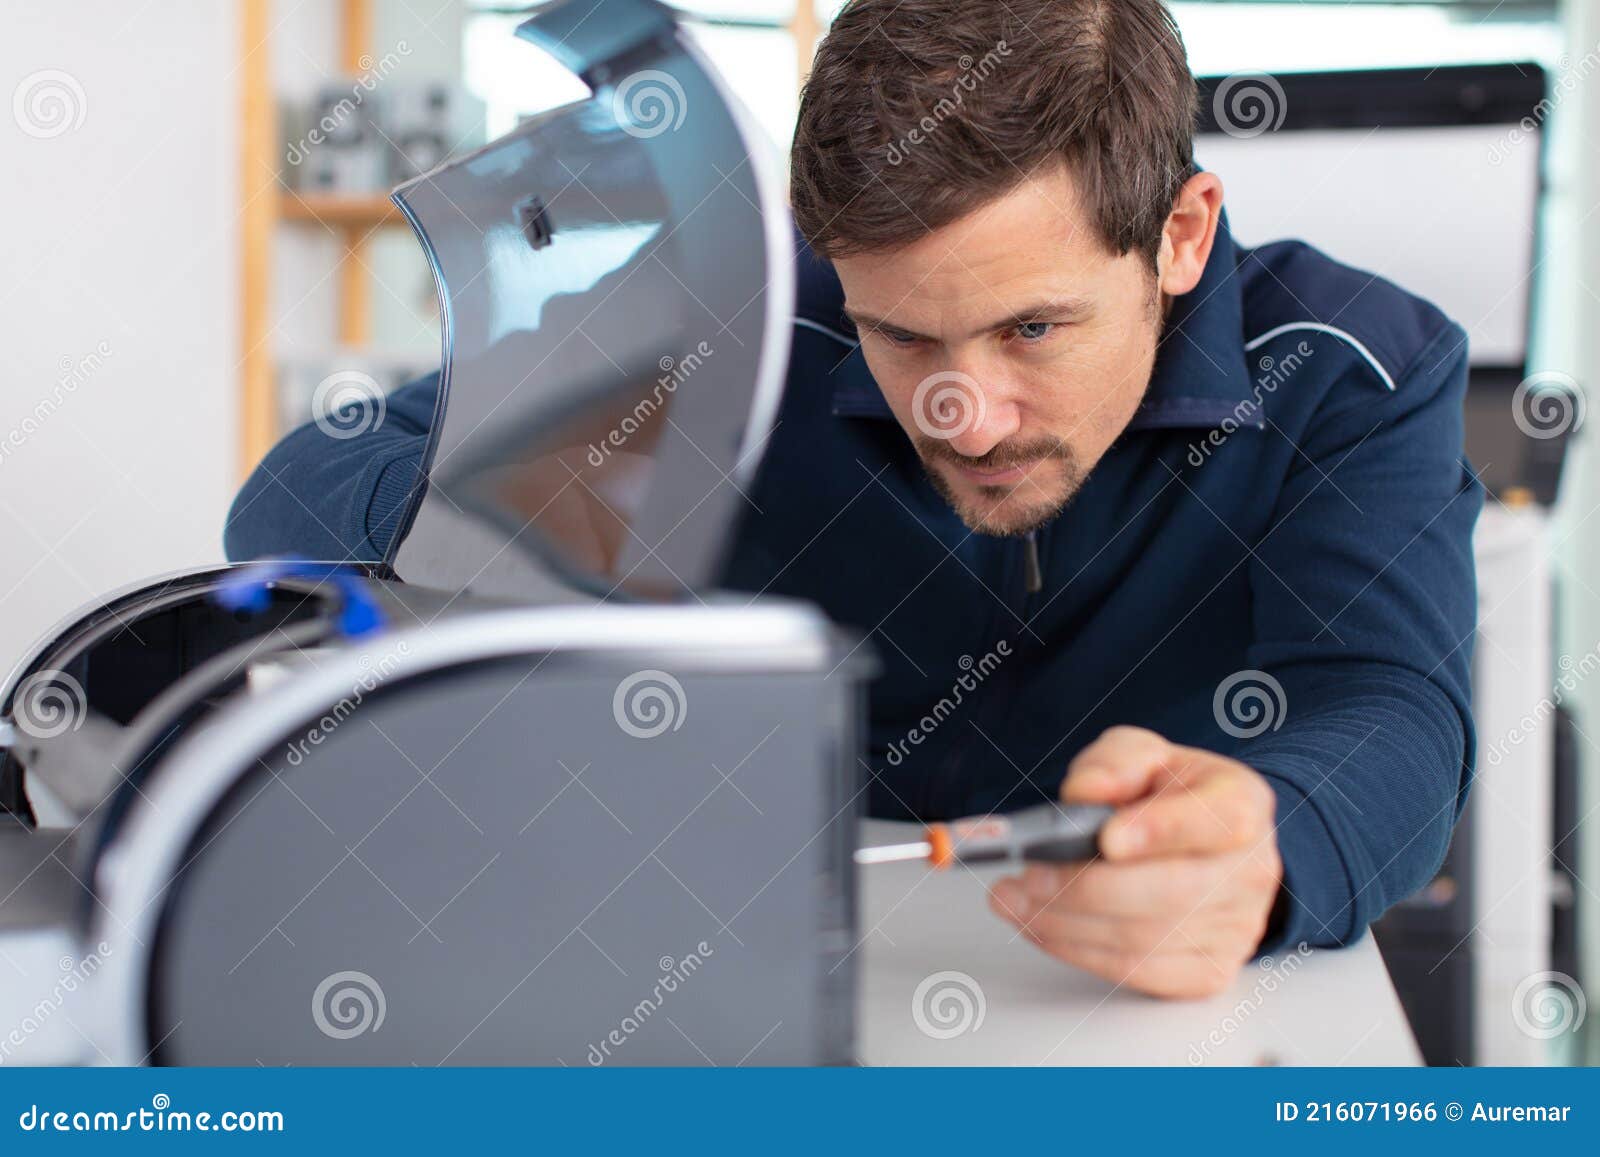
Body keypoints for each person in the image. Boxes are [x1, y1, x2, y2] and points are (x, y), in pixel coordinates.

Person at [226, 0, 1480, 998]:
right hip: (739, 964)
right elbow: (297, 494)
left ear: (1182, 234)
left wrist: (1271, 845)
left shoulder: (1351, 367)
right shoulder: (740, 321)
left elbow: (1389, 707)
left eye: (1032, 327)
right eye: (900, 334)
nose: (966, 413)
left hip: (1134, 994)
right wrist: (534, 506)